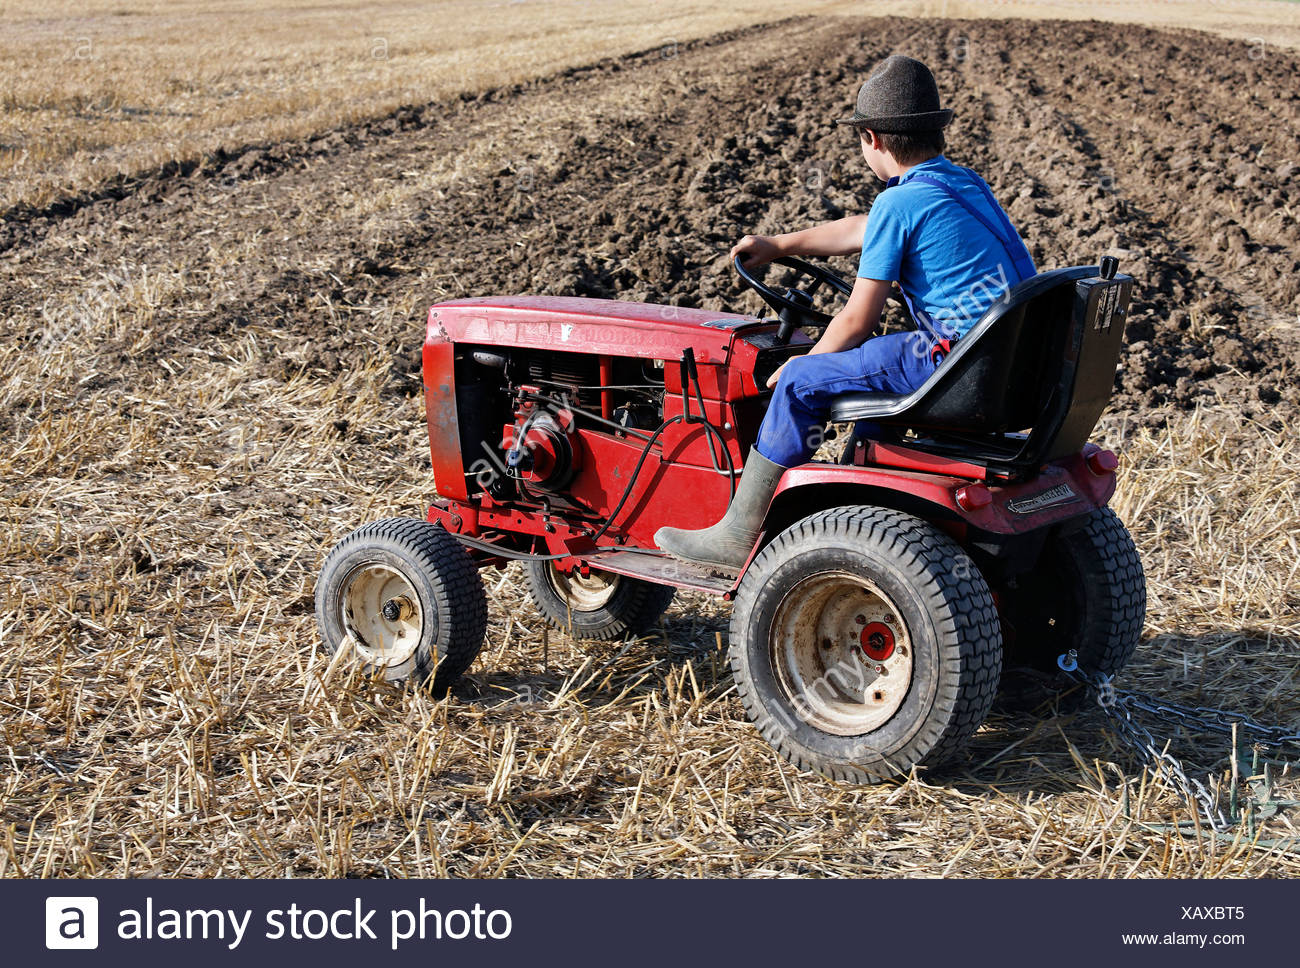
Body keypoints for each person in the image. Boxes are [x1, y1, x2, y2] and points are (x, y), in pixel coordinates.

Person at [656, 54, 1036, 569]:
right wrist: (781, 245)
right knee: (863, 370)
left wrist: (804, 362)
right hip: (1000, 360)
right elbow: (863, 227)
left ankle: (739, 534)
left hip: (951, 361)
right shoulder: (960, 183)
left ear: (873, 139)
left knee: (802, 382)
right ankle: (862, 504)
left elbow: (857, 322)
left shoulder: (898, 206)